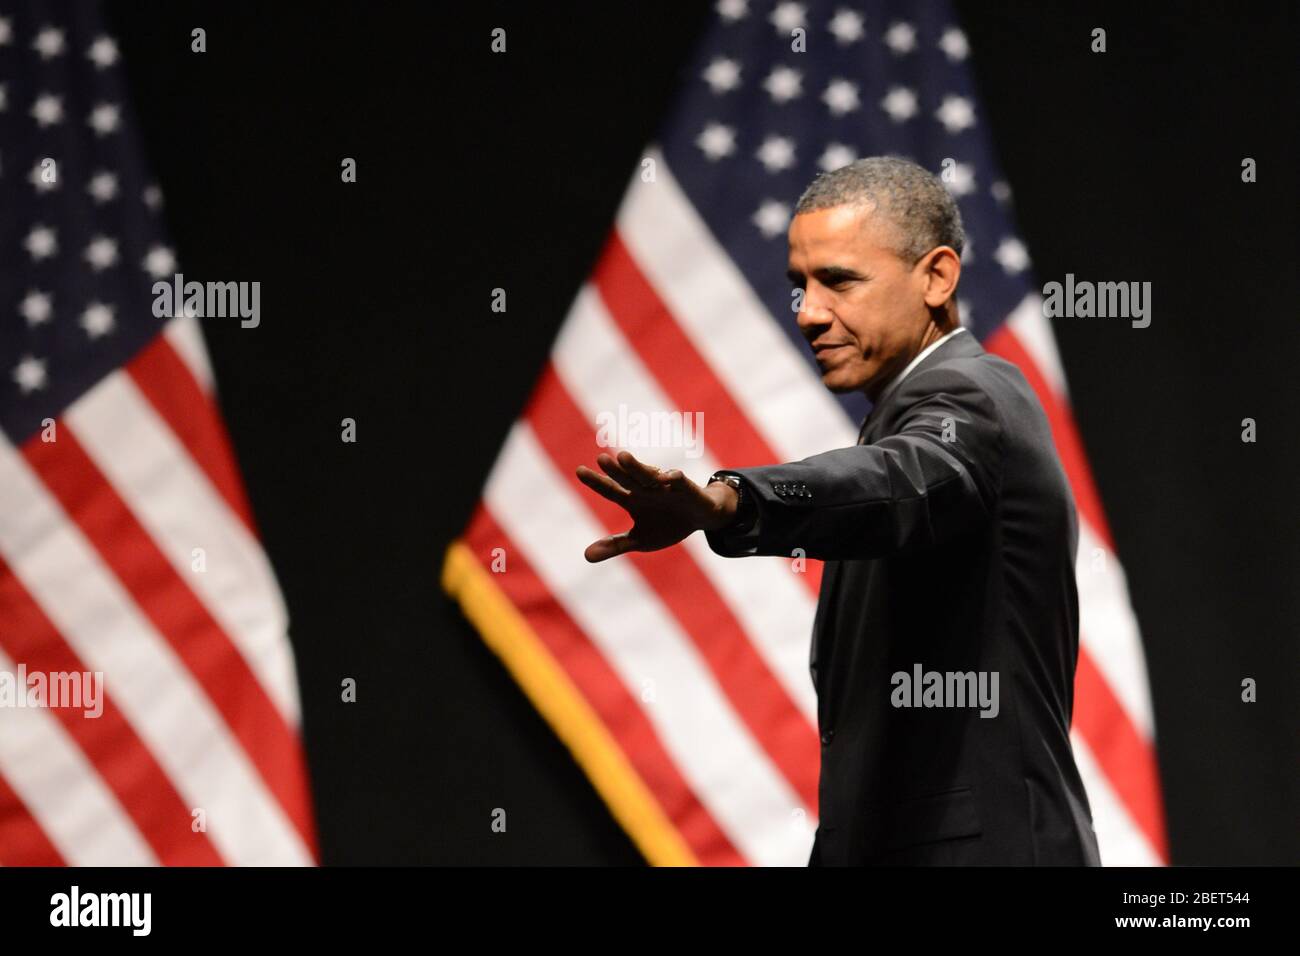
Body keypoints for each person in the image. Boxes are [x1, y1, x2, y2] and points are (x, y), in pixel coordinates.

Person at [575, 157, 1101, 866]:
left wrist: (731, 501)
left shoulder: (971, 399)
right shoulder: (915, 412)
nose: (810, 313)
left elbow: (894, 484)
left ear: (937, 278)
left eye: (840, 281)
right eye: (801, 286)